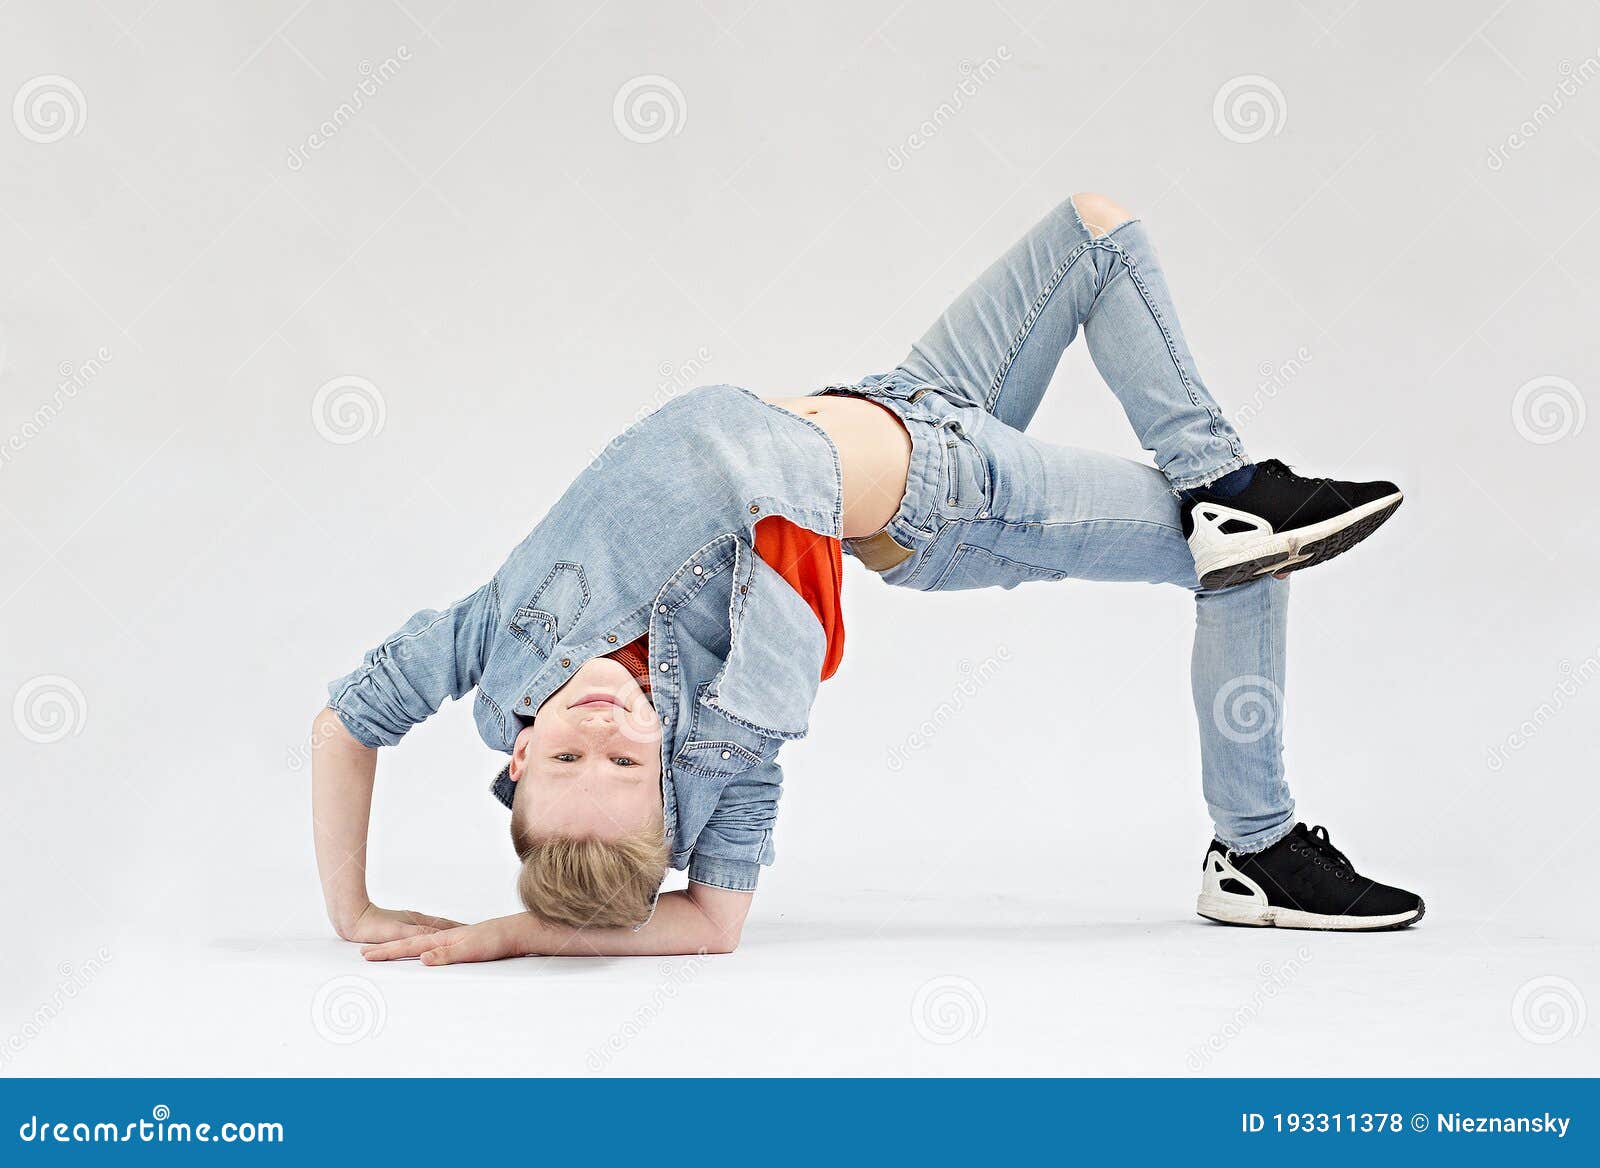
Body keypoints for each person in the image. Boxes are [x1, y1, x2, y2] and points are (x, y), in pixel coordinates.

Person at [317, 191, 1422, 968]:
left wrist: (353, 909)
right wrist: (518, 935)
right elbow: (712, 925)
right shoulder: (732, 737)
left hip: (902, 396)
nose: (602, 726)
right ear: (665, 771)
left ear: (517, 756)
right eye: (626, 760)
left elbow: (345, 724)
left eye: (569, 755)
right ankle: (1258, 845)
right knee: (1251, 547)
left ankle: (1224, 487)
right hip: (957, 498)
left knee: (1096, 228)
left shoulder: (496, 641)